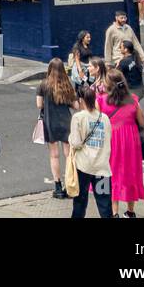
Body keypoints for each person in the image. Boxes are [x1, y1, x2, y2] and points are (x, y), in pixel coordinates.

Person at [99, 69, 144, 217]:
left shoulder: (101, 100)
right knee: (130, 173)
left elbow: (98, 123)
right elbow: (142, 121)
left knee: (112, 173)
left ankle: (114, 212)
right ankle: (130, 212)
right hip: (131, 141)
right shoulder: (133, 99)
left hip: (111, 140)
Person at [68, 85, 114, 219]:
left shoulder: (78, 117)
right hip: (102, 168)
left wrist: (71, 139)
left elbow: (76, 143)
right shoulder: (104, 118)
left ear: (81, 100)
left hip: (83, 167)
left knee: (80, 201)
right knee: (105, 204)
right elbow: (108, 138)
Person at [37, 57, 77, 199]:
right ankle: (69, 184)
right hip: (66, 122)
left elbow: (39, 105)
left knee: (54, 155)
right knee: (68, 155)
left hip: (50, 122)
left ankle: (58, 187)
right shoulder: (67, 84)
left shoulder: (43, 85)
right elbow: (75, 106)